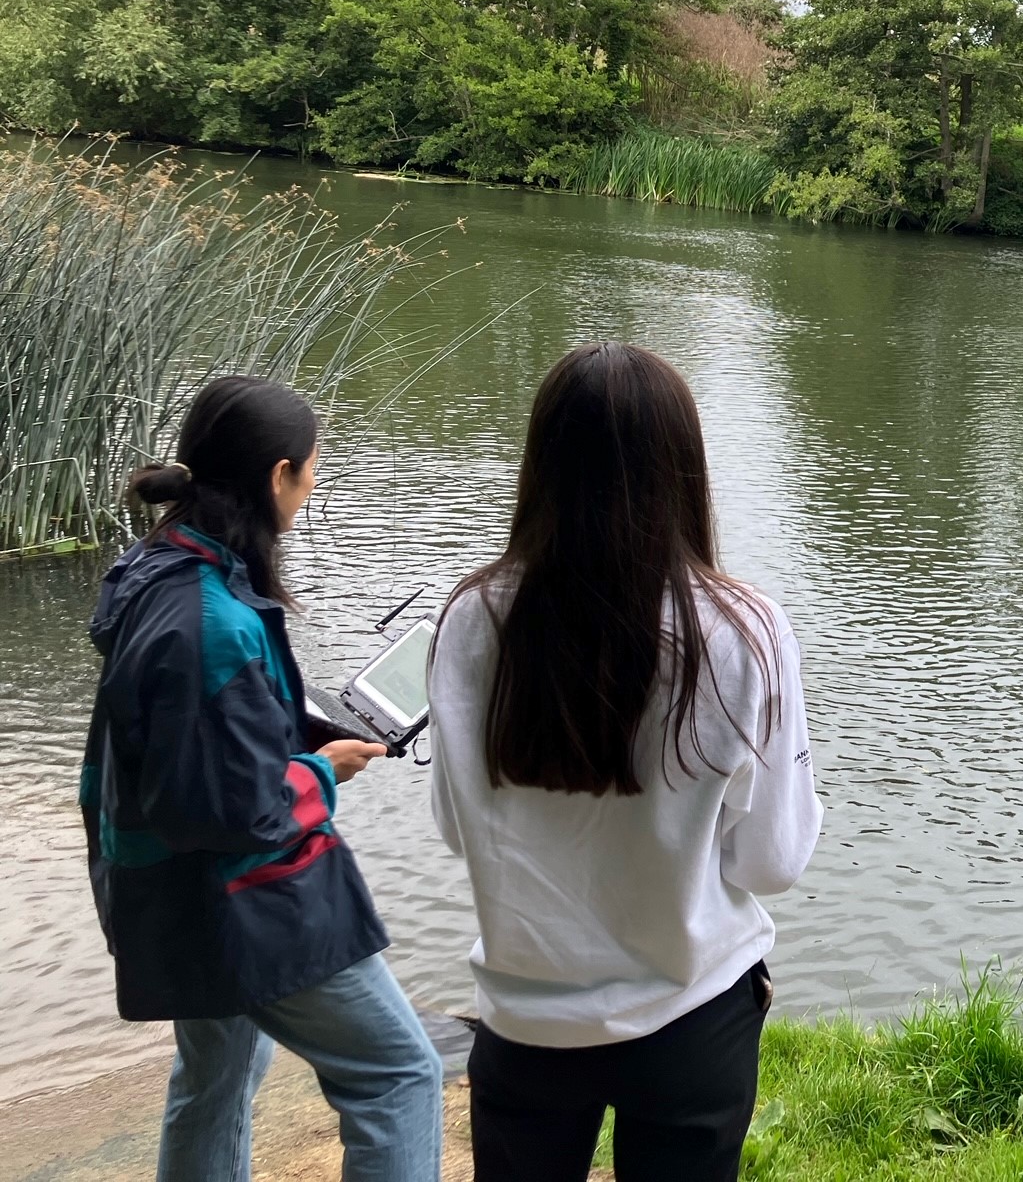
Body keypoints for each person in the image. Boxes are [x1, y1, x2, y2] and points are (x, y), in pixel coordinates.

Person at [429, 342, 821, 1182]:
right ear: (685, 469)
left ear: (541, 465)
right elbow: (773, 861)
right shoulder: (747, 633)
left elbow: (456, 832)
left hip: (524, 1023)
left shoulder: (472, 618)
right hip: (693, 1016)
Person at [81, 375, 443, 1182]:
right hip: (242, 899)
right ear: (278, 476)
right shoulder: (212, 621)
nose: (312, 491)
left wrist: (286, 720)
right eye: (312, 472)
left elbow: (188, 744)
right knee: (398, 1075)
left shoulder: (156, 568)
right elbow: (233, 810)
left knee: (216, 1077)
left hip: (165, 890)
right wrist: (324, 765)